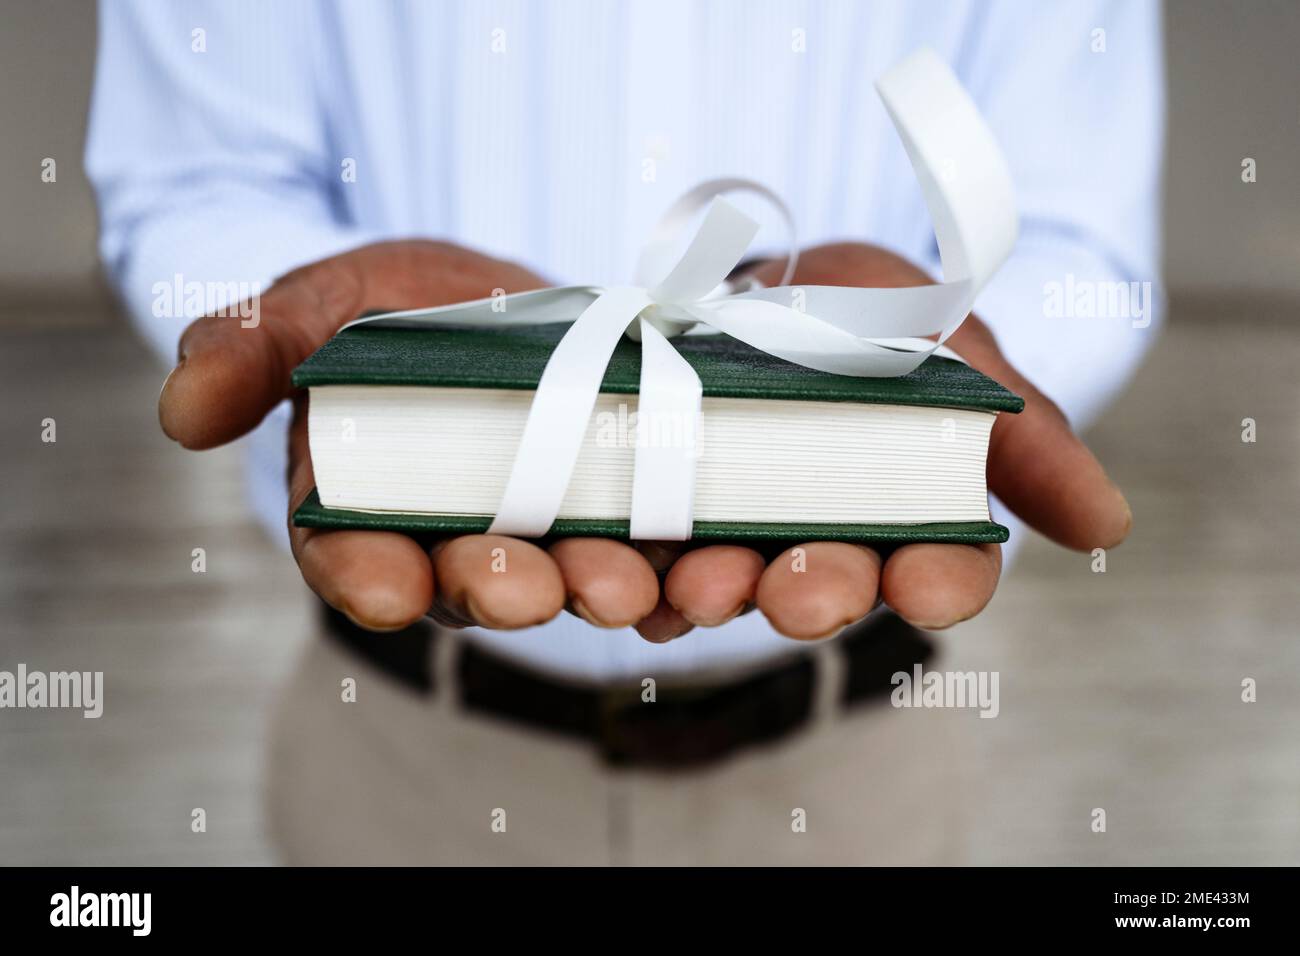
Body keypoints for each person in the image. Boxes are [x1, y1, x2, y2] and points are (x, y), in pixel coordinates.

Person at [86, 0, 1162, 864]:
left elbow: (1071, 230)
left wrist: (895, 383)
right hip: (402, 752)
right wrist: (386, 345)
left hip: (855, 763)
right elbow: (200, 176)